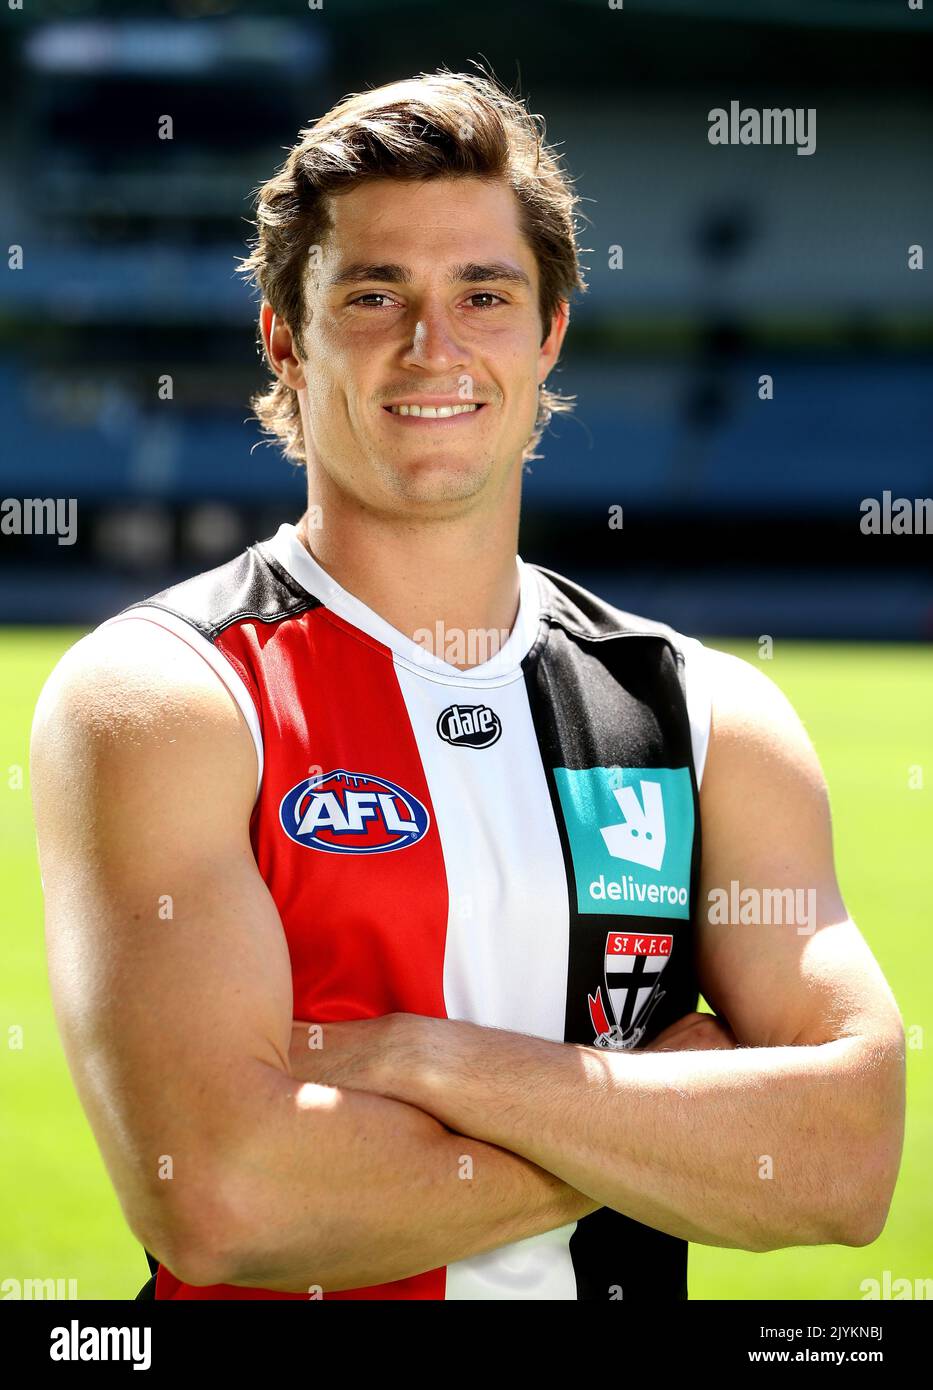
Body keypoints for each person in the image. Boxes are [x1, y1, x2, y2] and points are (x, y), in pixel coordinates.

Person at [30, 68, 904, 1302]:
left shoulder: (701, 713)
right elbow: (222, 1198)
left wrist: (443, 1065)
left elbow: (846, 1161)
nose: (432, 346)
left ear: (548, 332)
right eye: (374, 293)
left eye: (484, 295)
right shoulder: (166, 697)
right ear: (286, 333)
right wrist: (656, 1104)